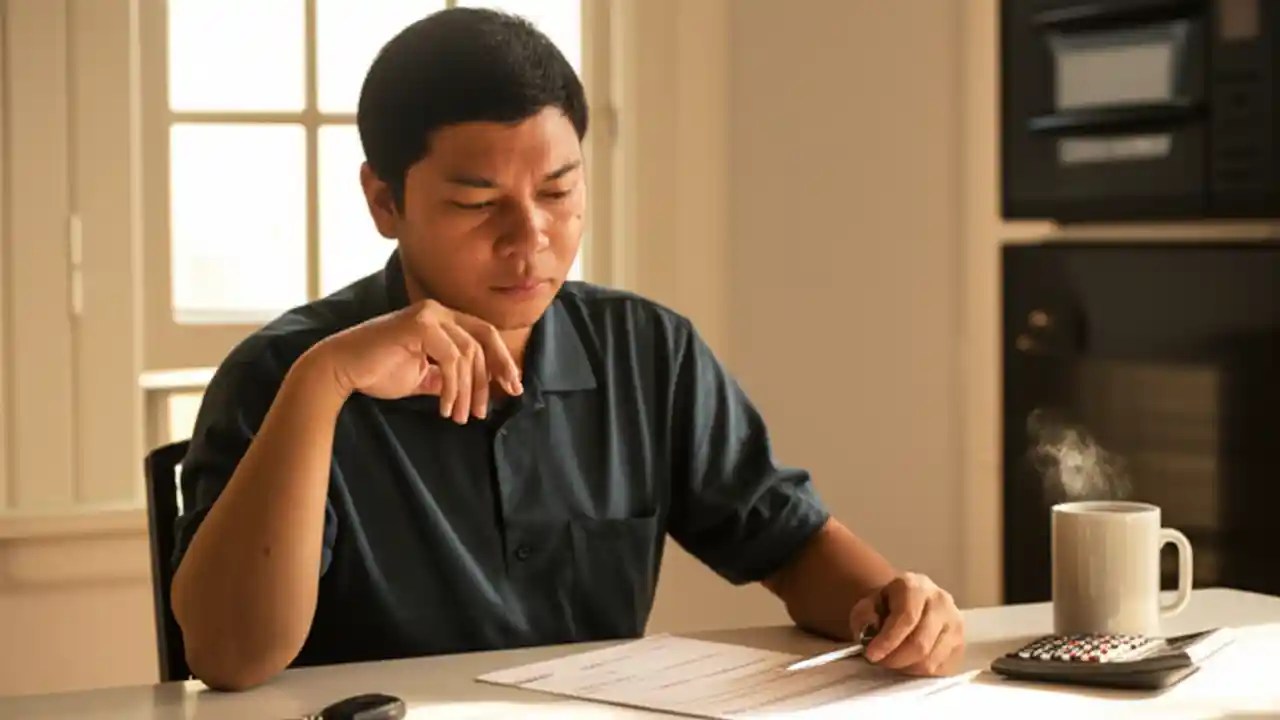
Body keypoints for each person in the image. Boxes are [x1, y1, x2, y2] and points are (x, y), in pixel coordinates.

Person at [170, 7, 964, 692]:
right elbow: (231, 657)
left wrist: (893, 605)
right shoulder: (280, 374)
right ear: (385, 200)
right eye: (477, 204)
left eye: (558, 192)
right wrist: (326, 381)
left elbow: (790, 547)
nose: (531, 240)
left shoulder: (647, 351)